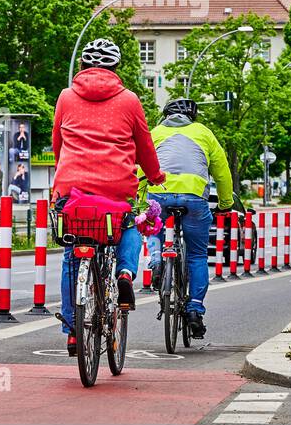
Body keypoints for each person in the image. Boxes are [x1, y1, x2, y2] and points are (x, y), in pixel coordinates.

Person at [52, 38, 164, 356]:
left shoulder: (65, 97)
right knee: (127, 222)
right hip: (115, 189)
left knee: (72, 253)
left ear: (83, 66)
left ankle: (73, 329)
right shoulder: (129, 100)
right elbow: (144, 146)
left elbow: (57, 142)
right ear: (116, 68)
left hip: (72, 191)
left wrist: (62, 178)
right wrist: (155, 176)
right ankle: (125, 274)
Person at [140, 97, 234, 340]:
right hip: (194, 198)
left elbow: (140, 168)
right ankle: (194, 309)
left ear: (165, 115)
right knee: (197, 255)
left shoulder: (155, 133)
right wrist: (225, 204)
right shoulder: (204, 133)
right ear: (193, 117)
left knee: (153, 229)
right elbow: (222, 172)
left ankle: (158, 263)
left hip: (159, 194)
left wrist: (138, 202)